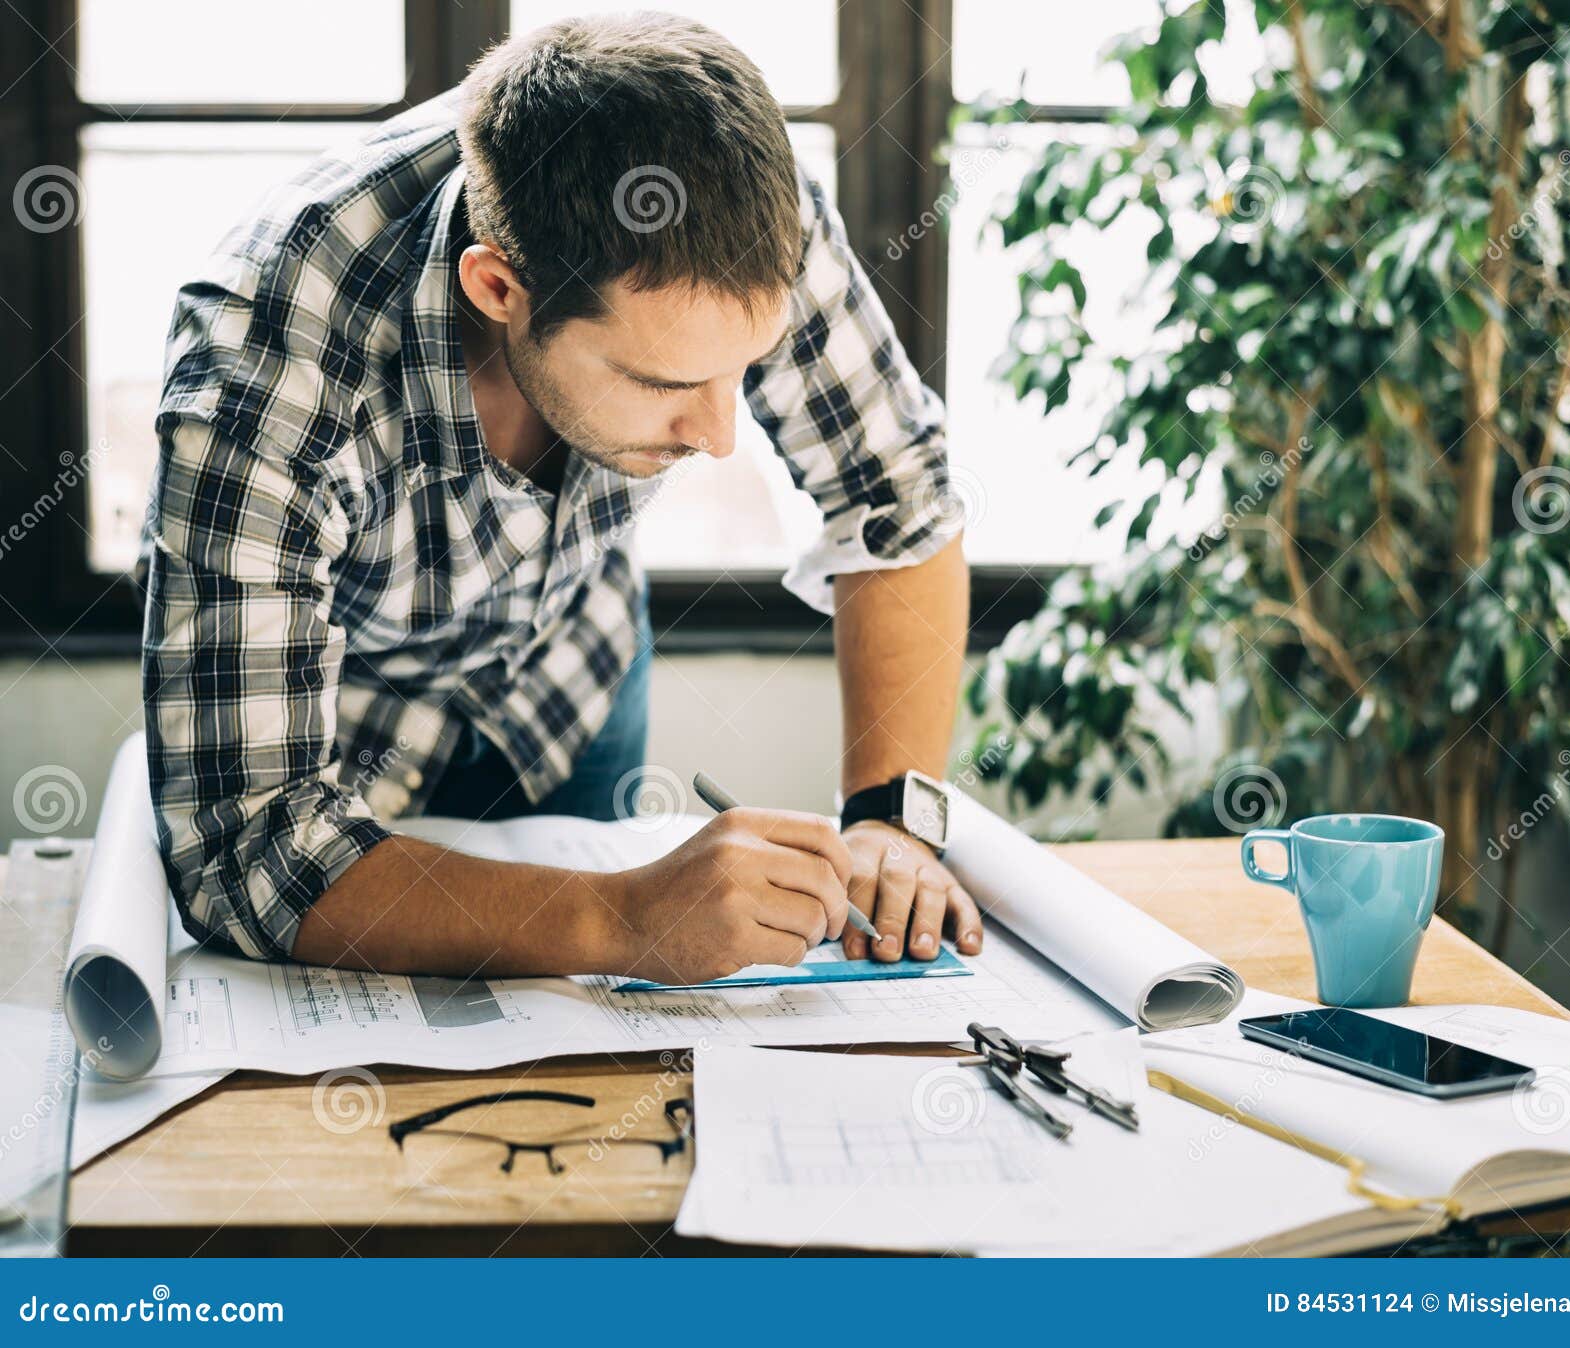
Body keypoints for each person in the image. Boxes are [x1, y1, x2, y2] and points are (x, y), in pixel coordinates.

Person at [140, 12, 980, 986]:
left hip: (570, 683)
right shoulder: (262, 361)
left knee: (580, 1039)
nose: (719, 437)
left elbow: (898, 498)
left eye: (741, 372)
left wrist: (890, 818)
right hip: (346, 738)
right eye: (665, 385)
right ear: (499, 287)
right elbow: (247, 855)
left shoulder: (755, 221)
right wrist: (621, 917)